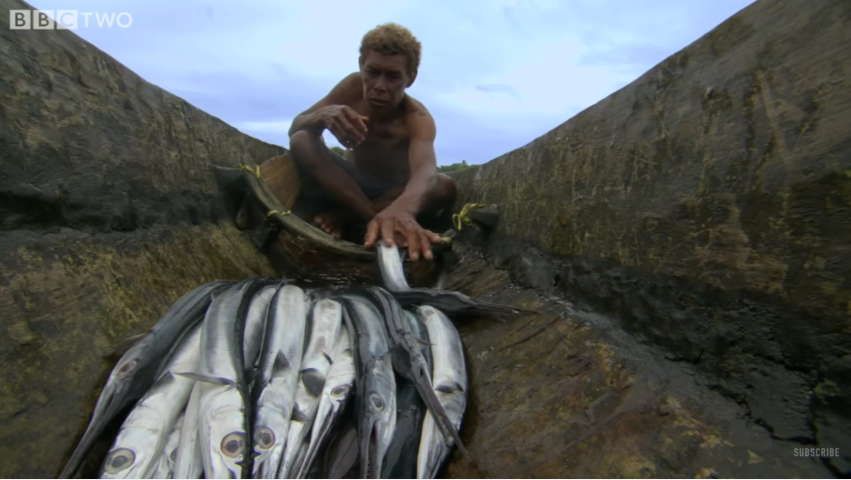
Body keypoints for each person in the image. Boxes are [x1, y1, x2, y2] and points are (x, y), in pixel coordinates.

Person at [287, 23, 456, 262]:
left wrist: (403, 209)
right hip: (349, 183)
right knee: (302, 139)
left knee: (444, 185)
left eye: (393, 77)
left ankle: (347, 216)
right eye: (373, 72)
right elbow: (296, 126)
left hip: (394, 192)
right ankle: (374, 220)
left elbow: (424, 173)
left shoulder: (417, 118)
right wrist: (322, 116)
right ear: (361, 67)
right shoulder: (351, 87)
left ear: (411, 78)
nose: (379, 85)